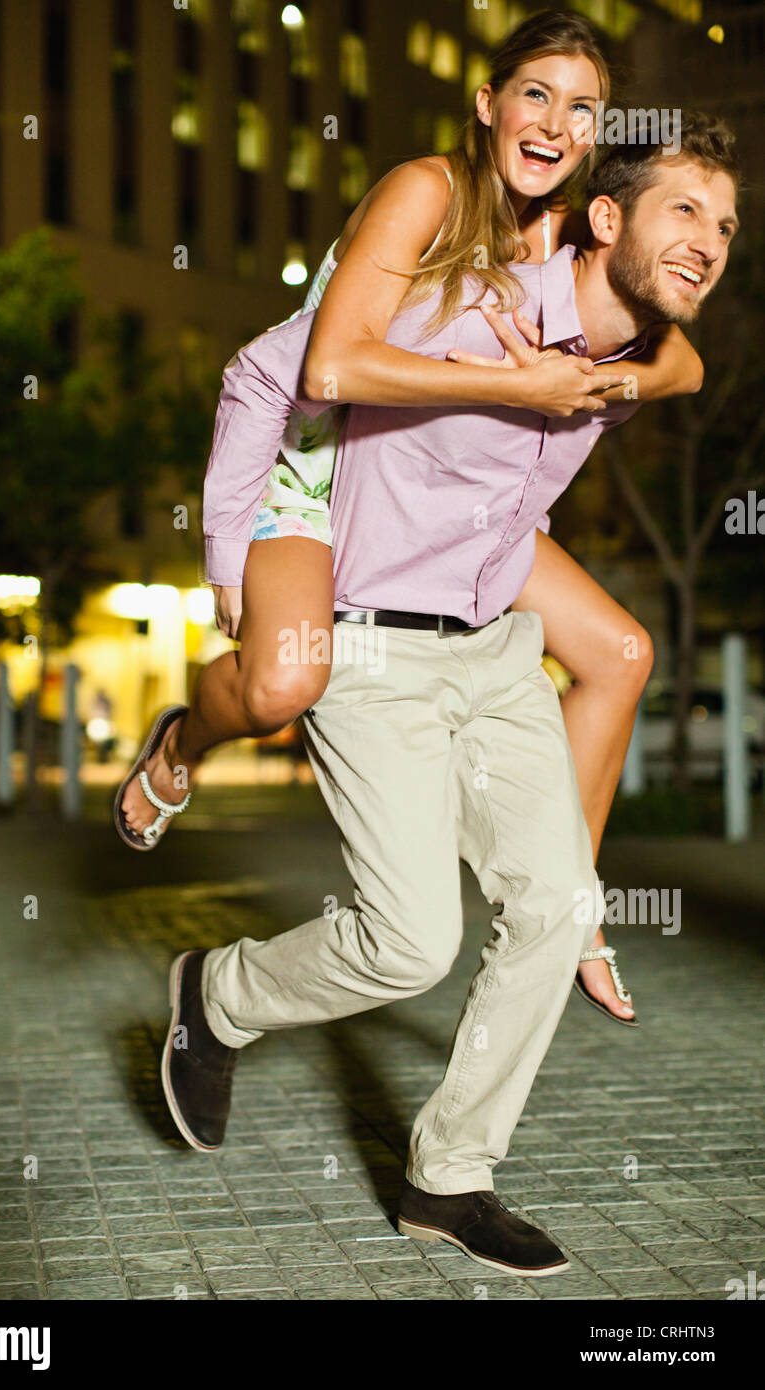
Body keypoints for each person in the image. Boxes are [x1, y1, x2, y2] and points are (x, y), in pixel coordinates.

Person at [158, 118, 740, 1276]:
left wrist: (618, 376)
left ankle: (448, 1176)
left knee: (553, 907)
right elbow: (295, 368)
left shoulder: (632, 351)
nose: (710, 241)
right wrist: (232, 547)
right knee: (407, 945)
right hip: (373, 646)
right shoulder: (477, 297)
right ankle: (218, 989)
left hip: (492, 651)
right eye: (685, 211)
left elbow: (687, 363)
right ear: (603, 219)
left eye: (726, 225)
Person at [117, 11, 703, 1025]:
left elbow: (683, 361)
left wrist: (600, 389)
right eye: (534, 94)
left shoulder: (570, 232)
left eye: (582, 109)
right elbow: (325, 367)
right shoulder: (422, 191)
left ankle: (572, 904)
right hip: (323, 466)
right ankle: (180, 747)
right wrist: (531, 393)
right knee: (279, 682)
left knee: (618, 650)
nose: (555, 123)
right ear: (486, 104)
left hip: (436, 496)